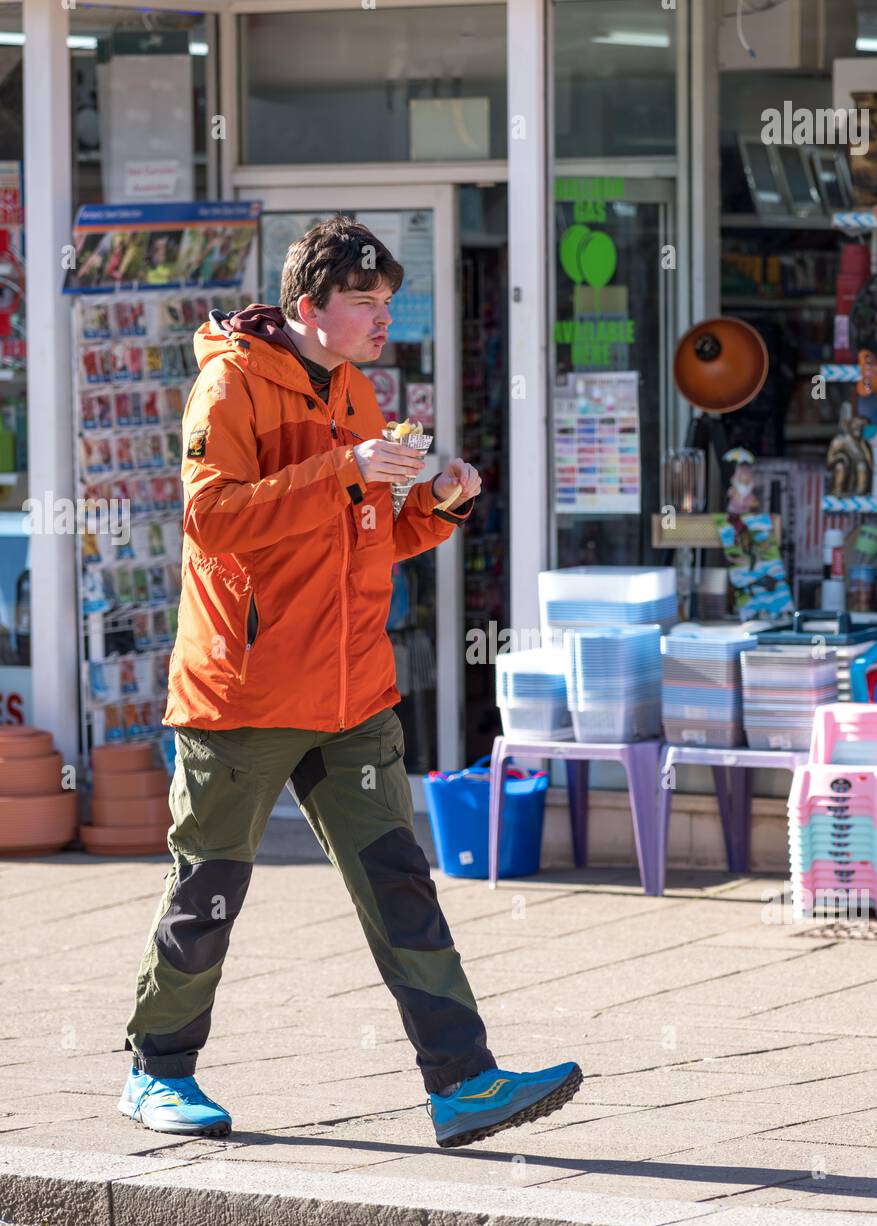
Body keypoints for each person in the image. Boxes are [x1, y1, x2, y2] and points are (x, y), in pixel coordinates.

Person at [118, 215, 582, 1148]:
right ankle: (157, 1070)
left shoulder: (358, 393)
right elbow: (212, 522)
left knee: (401, 883)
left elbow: (370, 534)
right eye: (366, 303)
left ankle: (463, 1083)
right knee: (208, 892)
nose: (384, 317)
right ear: (306, 309)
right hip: (242, 695)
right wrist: (345, 468)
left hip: (352, 695)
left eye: (386, 301)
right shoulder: (230, 383)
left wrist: (435, 507)